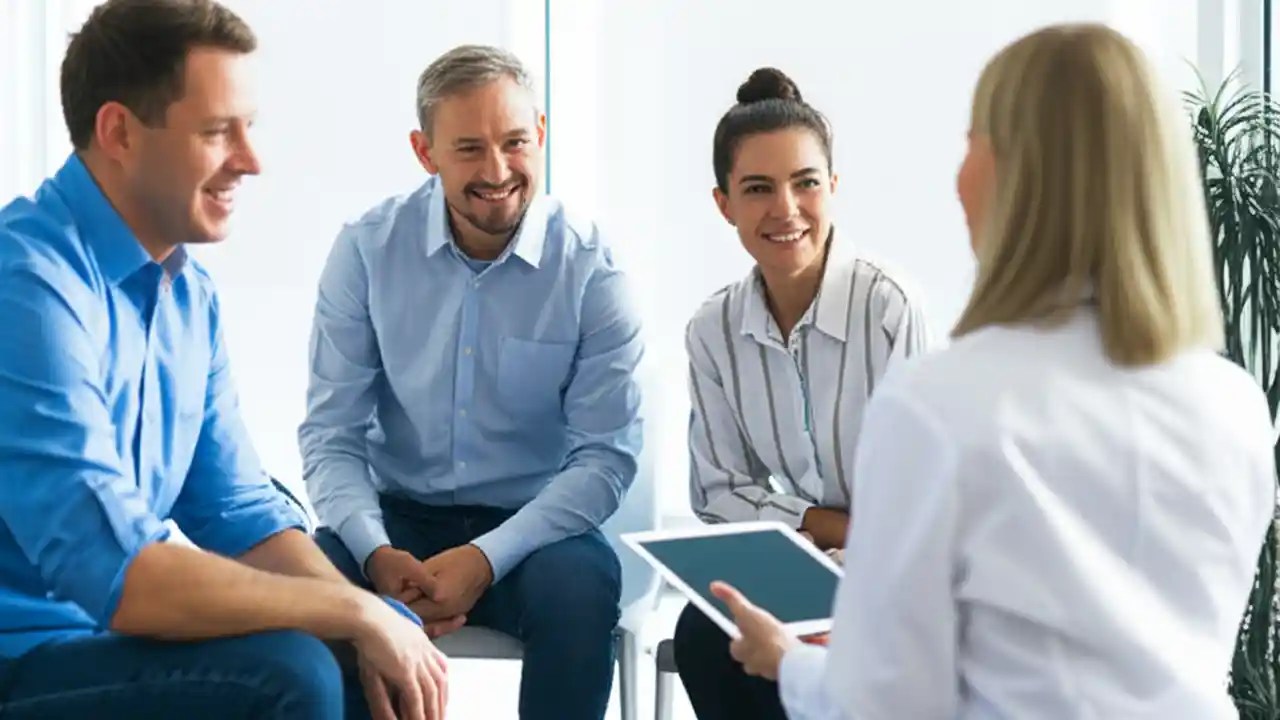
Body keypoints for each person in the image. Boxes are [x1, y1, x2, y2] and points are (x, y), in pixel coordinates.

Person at [713, 22, 1276, 720]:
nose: (958, 178)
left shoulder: (938, 408)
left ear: (1018, 175)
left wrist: (788, 662)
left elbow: (887, 704)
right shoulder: (1234, 405)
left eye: (972, 141)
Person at [0, 2, 448, 719]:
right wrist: (351, 611)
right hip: (20, 655)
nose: (250, 159)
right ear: (119, 132)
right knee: (293, 670)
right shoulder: (26, 285)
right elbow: (118, 573)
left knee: (380, 644)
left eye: (249, 127)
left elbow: (237, 512)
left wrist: (372, 618)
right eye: (216, 132)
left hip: (96, 648)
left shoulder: (188, 296)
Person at [299, 44, 643, 720]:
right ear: (424, 152)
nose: (497, 170)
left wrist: (484, 559)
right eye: (468, 149)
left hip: (535, 528)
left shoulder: (592, 269)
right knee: (316, 584)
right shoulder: (367, 250)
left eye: (515, 142)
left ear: (540, 133)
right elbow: (331, 435)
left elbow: (605, 459)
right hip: (397, 521)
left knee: (580, 591)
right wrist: (375, 552)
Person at [673, 67, 929, 720]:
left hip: (895, 570)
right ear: (724, 204)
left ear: (833, 188)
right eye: (757, 189)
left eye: (806, 183)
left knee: (832, 644)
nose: (785, 209)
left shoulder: (887, 307)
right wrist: (823, 527)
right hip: (803, 563)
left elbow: (917, 498)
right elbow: (718, 494)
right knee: (704, 631)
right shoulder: (712, 329)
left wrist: (834, 538)